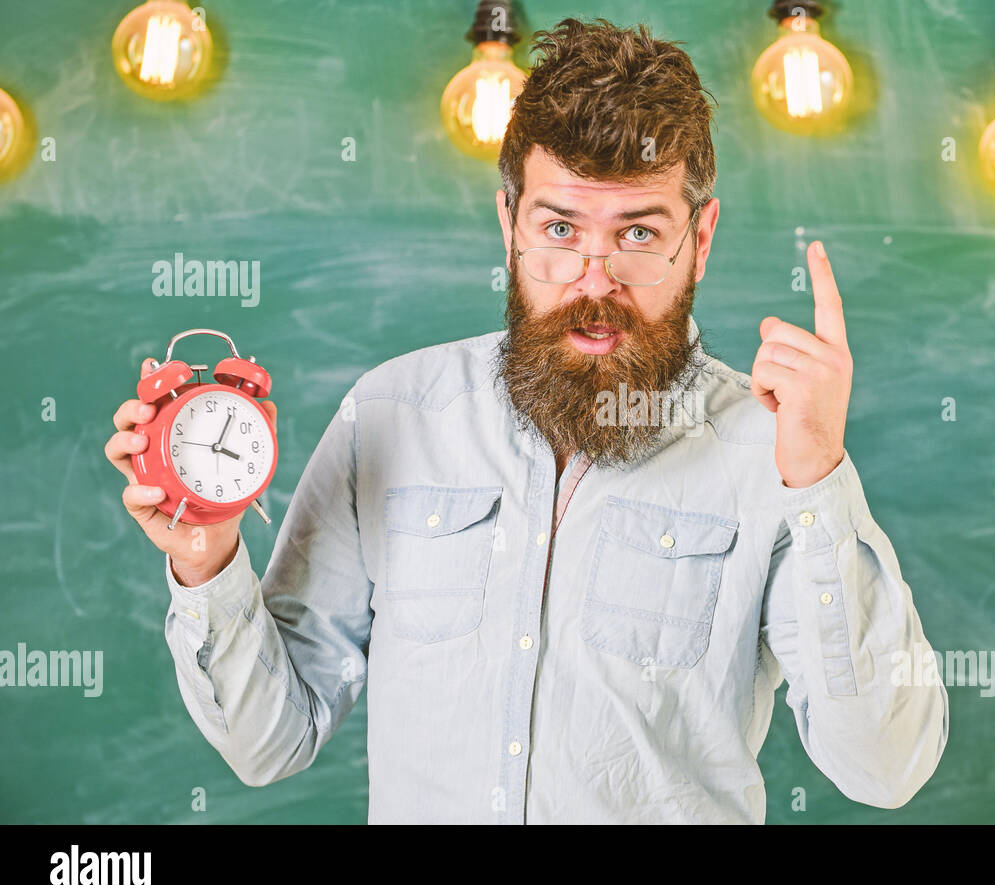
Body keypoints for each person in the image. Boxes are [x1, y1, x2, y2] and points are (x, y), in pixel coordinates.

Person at [103, 17, 948, 824]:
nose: (594, 278)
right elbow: (268, 742)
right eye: (559, 228)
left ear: (702, 236)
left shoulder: (774, 452)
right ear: (509, 224)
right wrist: (207, 558)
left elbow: (884, 767)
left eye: (640, 232)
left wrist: (819, 479)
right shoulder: (390, 416)